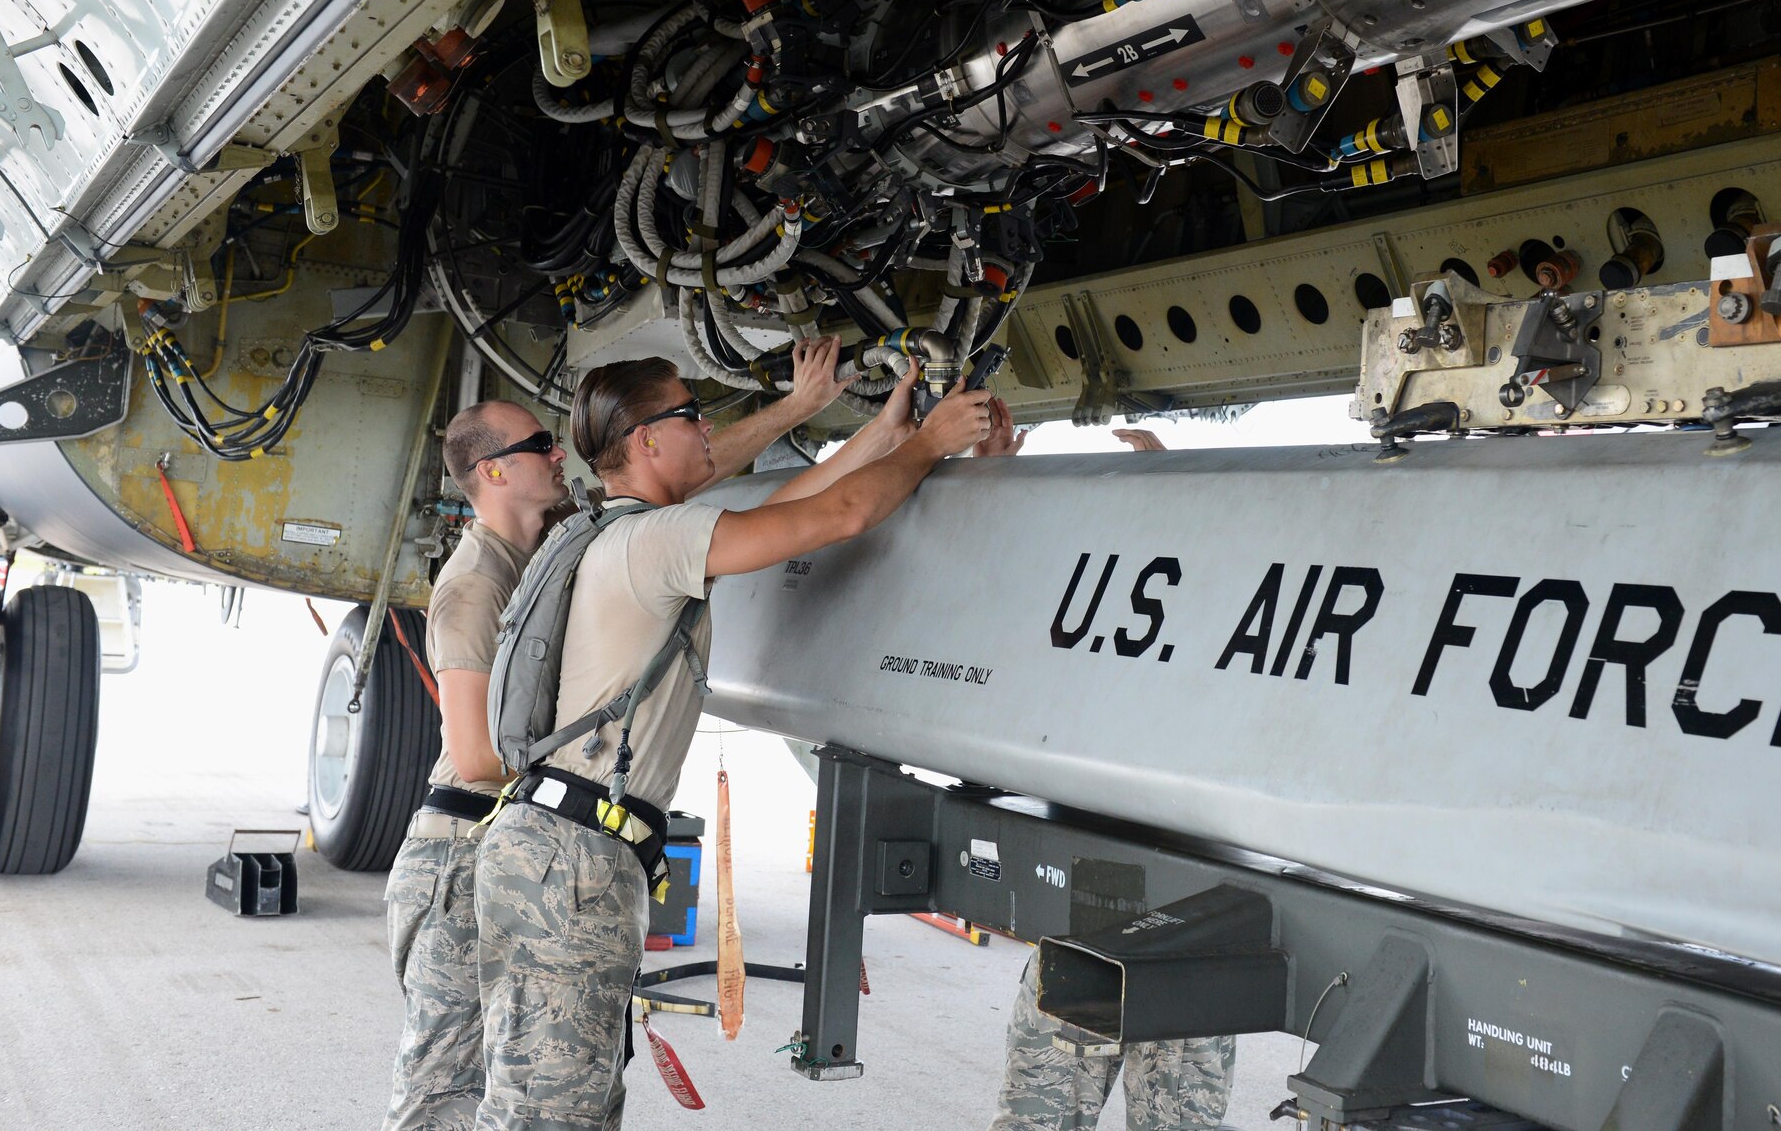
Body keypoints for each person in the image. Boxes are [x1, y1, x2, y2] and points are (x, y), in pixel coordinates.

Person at [471, 352, 995, 1130]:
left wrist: (884, 437)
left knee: (552, 1101)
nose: (706, 427)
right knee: (550, 1114)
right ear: (646, 440)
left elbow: (787, 506)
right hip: (574, 864)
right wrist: (928, 446)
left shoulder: (610, 531)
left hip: (549, 849)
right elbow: (835, 519)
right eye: (690, 415)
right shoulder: (659, 540)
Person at [382, 339, 854, 1130]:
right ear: (494, 472)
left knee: (524, 1081)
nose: (559, 454)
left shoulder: (564, 539)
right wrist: (575, 790)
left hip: (513, 839)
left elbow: (670, 477)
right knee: (448, 1085)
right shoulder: (476, 584)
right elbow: (475, 755)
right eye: (538, 446)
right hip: (463, 847)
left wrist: (797, 410)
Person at [989, 428, 1237, 1131]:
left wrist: (1182, 499)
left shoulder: (1219, 639)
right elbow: (1003, 601)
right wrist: (995, 483)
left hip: (1188, 943)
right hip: (1085, 936)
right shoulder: (1077, 634)